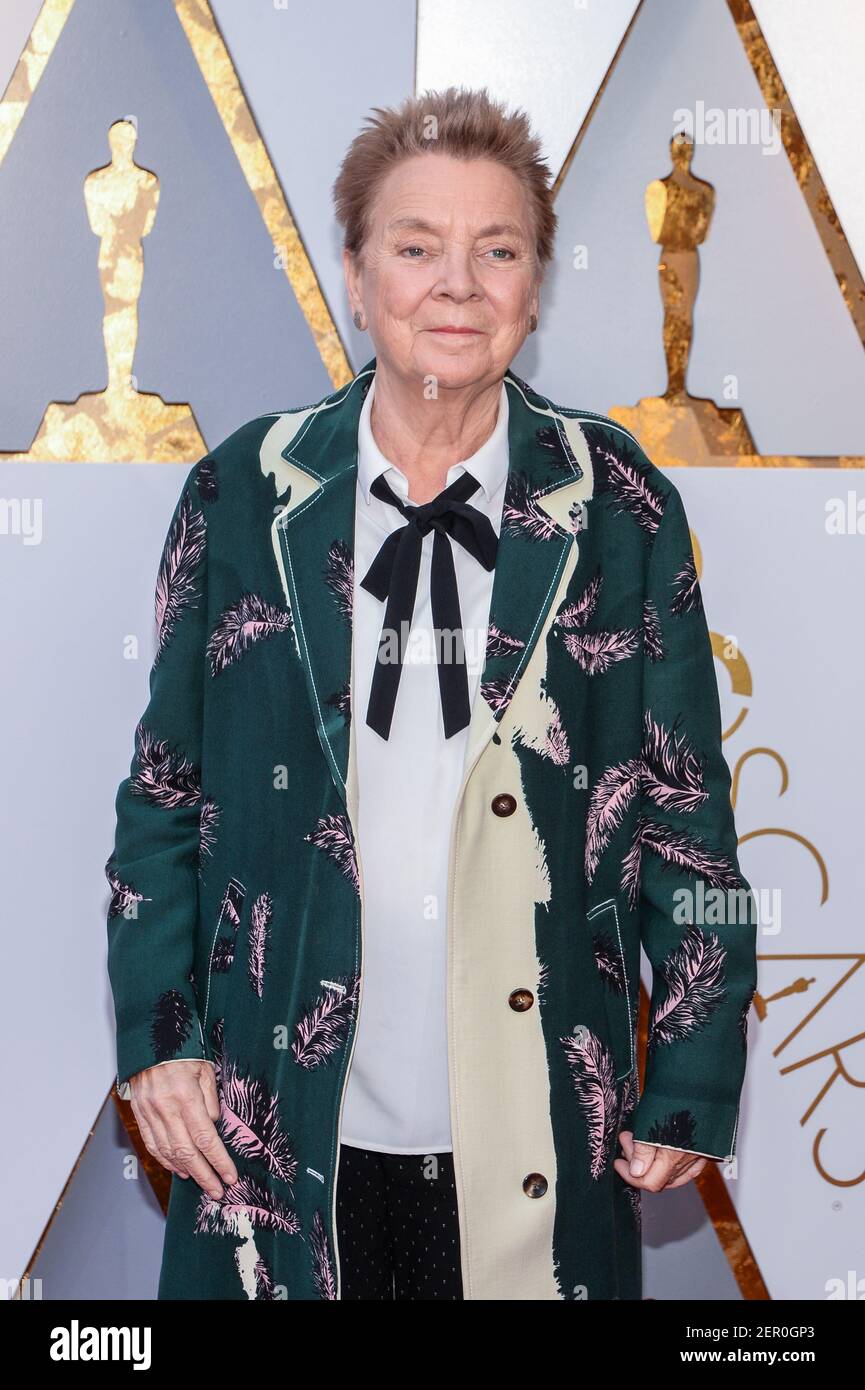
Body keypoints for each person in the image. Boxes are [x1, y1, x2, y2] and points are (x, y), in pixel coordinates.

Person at [104, 86, 758, 1301]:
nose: (456, 283)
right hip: (275, 1139)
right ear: (357, 276)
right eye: (416, 248)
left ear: (535, 285)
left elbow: (688, 824)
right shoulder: (244, 492)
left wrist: (698, 1067)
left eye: (496, 250)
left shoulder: (619, 507)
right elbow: (162, 796)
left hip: (535, 1151)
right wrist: (160, 1042)